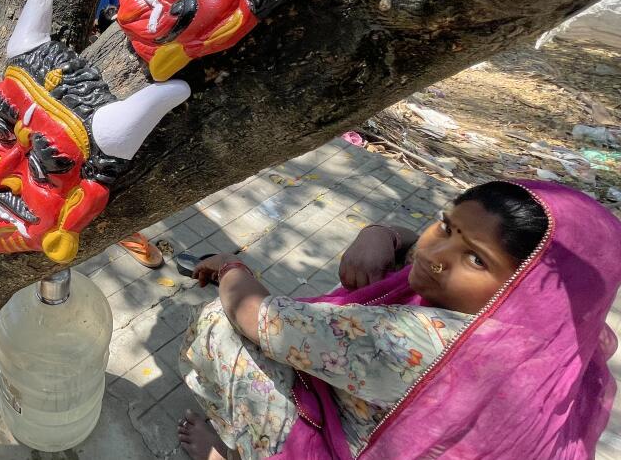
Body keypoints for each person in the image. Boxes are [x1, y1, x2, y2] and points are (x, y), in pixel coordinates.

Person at [176, 180, 621, 459]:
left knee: (221, 321)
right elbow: (421, 246)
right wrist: (381, 234)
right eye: (446, 227)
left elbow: (259, 317)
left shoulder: (425, 345)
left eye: (475, 259)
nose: (434, 255)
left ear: (526, 289)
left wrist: (231, 268)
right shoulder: (559, 334)